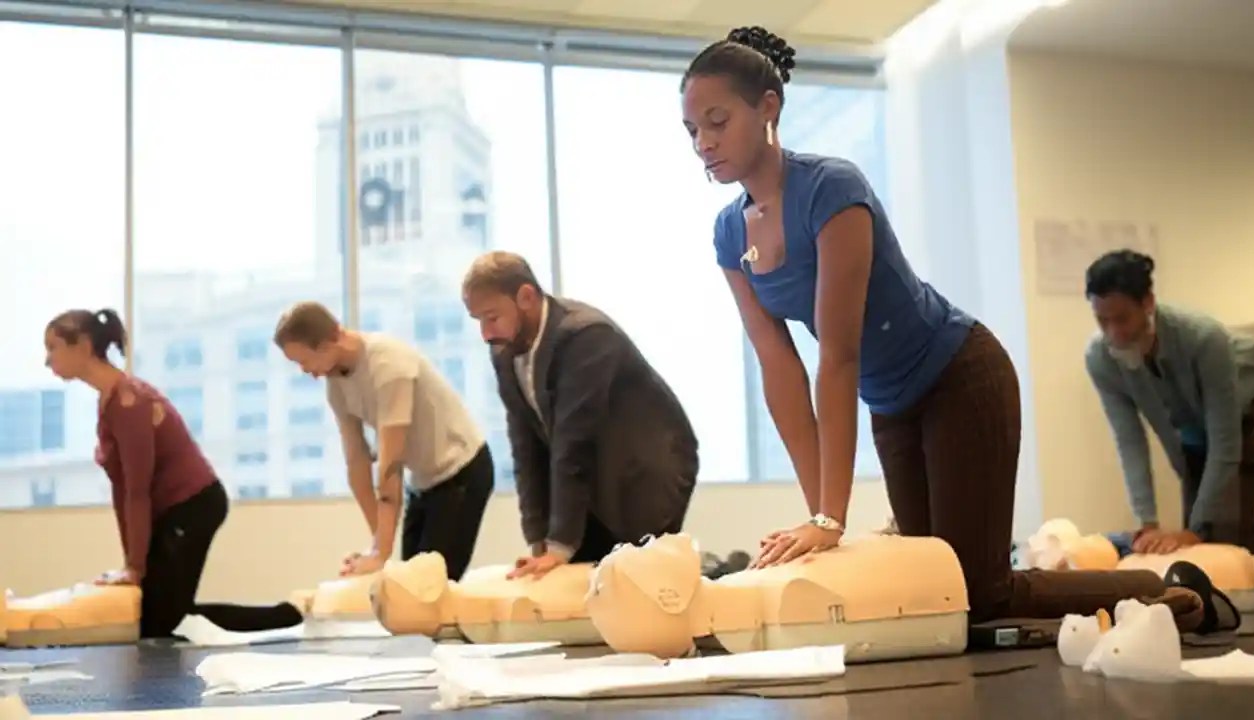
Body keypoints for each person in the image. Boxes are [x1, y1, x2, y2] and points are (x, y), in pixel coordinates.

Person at [680, 26, 1206, 625]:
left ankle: (1151, 589)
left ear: (767, 107)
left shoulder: (831, 189)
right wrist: (817, 516)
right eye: (693, 130)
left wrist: (832, 518)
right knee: (935, 590)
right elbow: (779, 369)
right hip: (892, 406)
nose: (704, 142)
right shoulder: (728, 233)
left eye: (718, 122)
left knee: (979, 593)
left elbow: (840, 353)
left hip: (961, 379)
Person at [45, 308, 300, 637]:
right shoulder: (109, 401)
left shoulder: (129, 401)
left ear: (82, 346)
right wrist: (131, 565)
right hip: (170, 510)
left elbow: (138, 489)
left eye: (53, 347)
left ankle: (287, 618)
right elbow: (123, 491)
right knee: (151, 614)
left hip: (194, 506)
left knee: (159, 621)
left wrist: (136, 567)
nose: (47, 360)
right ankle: (281, 616)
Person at [461, 251, 699, 580]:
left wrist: (560, 544)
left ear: (526, 297)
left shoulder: (585, 336)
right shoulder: (505, 349)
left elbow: (573, 441)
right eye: (479, 322)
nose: (486, 333)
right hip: (590, 476)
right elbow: (526, 447)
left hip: (646, 470)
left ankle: (710, 573)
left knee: (635, 590)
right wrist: (539, 540)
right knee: (574, 587)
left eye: (492, 317)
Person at [274, 301, 493, 581]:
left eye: (303, 361)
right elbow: (357, 462)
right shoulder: (336, 386)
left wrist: (380, 552)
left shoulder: (388, 365)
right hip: (424, 481)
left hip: (462, 470)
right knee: (407, 590)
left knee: (428, 589)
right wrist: (377, 547)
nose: (304, 371)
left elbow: (390, 466)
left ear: (330, 342)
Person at [1084, 250, 1254, 555]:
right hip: (1193, 418)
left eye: (1122, 319)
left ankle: (1248, 544)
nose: (1114, 333)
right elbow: (1130, 441)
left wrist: (1196, 531)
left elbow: (1225, 441)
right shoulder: (1099, 357)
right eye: (1102, 320)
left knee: (1222, 528)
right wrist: (1147, 523)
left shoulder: (1204, 338)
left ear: (1148, 303)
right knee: (1195, 529)